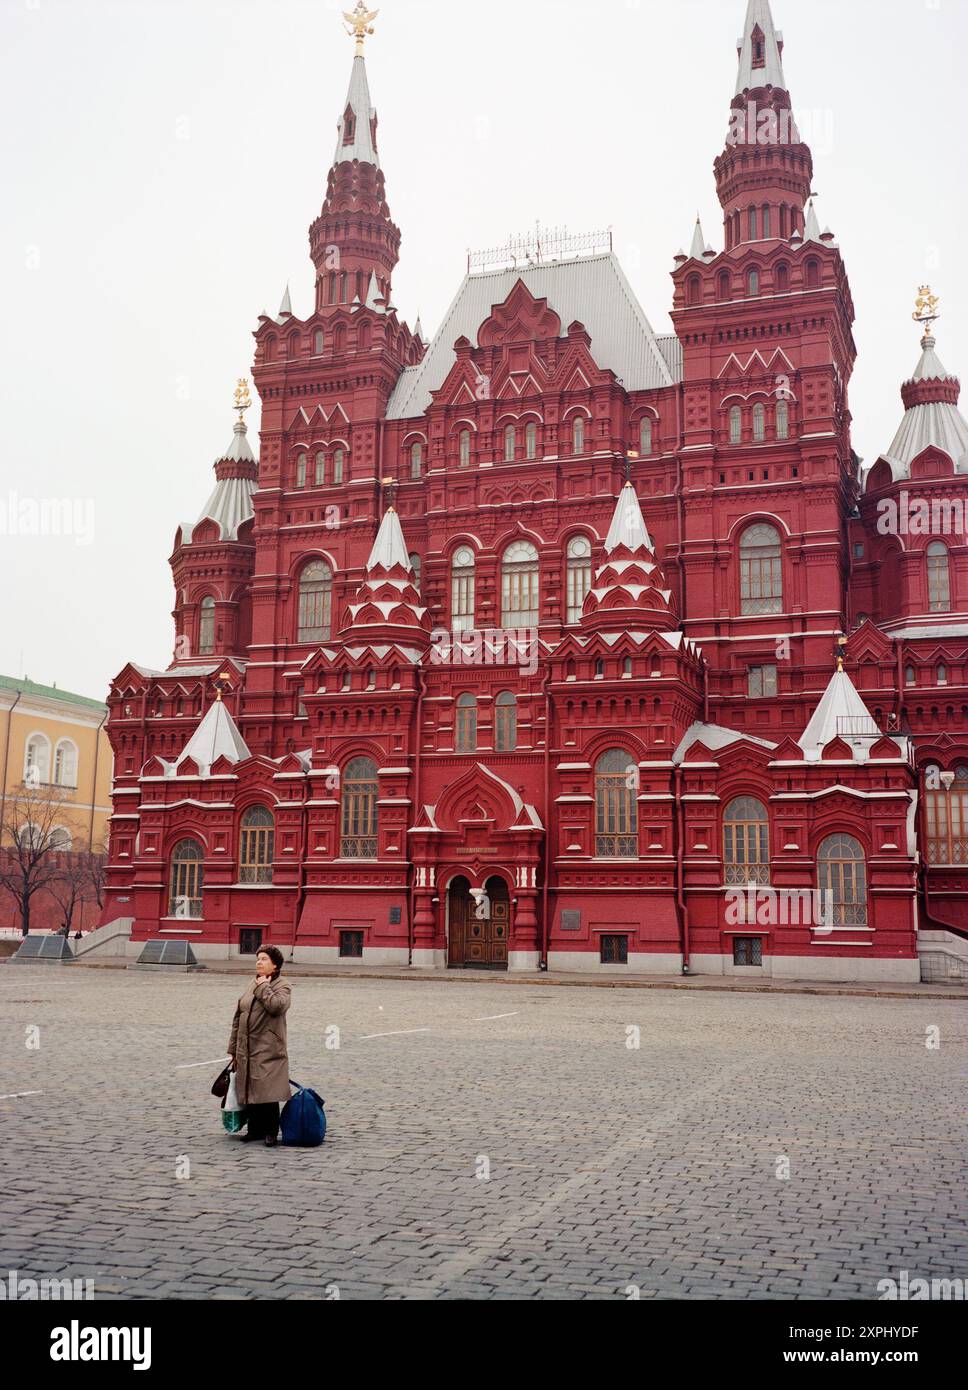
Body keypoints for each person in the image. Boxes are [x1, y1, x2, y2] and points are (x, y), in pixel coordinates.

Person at [227, 945, 291, 1146]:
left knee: (267, 1090)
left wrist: (263, 987)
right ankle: (254, 1130)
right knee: (249, 1087)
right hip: (246, 1046)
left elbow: (277, 1006)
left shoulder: (283, 985)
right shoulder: (251, 983)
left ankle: (271, 1132)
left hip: (268, 1046)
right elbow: (239, 1015)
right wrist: (233, 1048)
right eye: (258, 959)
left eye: (264, 959)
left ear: (275, 965)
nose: (259, 962)